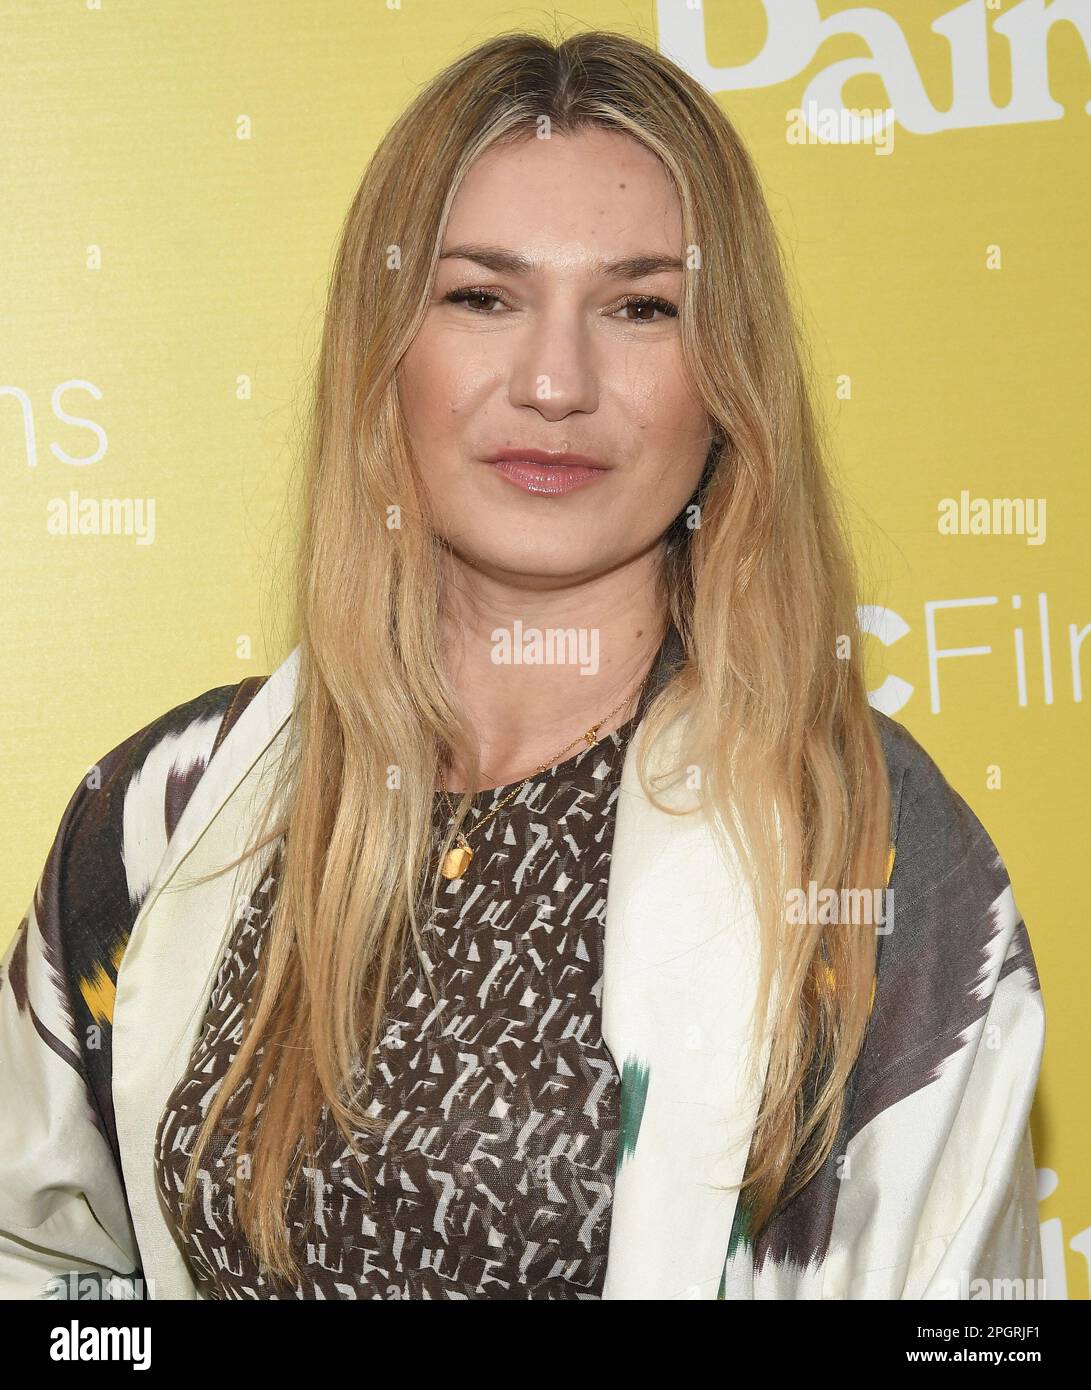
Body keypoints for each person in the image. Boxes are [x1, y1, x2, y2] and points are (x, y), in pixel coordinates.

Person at [0, 28, 1044, 1301]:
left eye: (641, 307)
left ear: (728, 378)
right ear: (383, 347)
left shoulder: (862, 844)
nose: (556, 381)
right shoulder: (166, 813)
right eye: (482, 296)